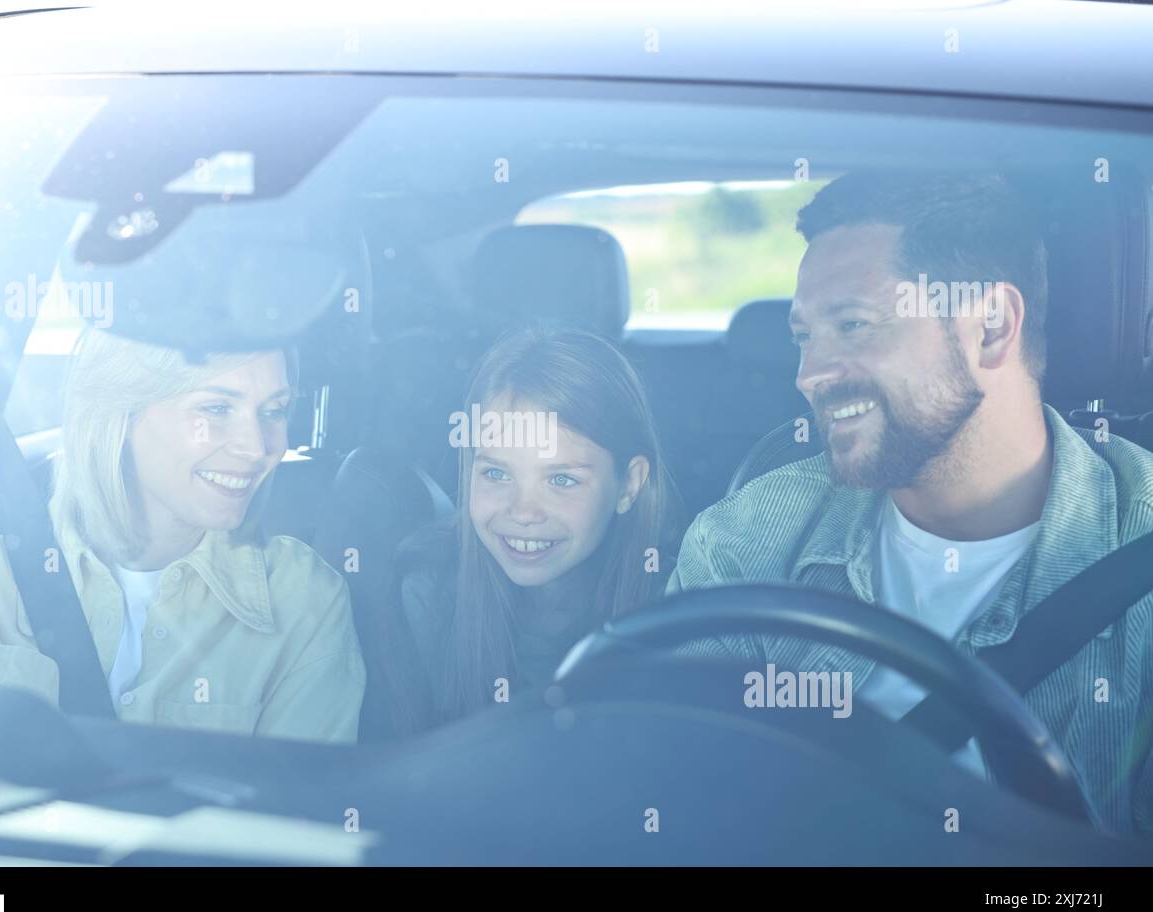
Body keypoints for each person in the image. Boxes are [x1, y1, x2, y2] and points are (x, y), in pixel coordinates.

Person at [669, 172, 1153, 832]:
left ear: (989, 327)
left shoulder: (1138, 558)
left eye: (853, 324)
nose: (807, 374)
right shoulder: (743, 541)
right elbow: (674, 798)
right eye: (805, 334)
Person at [0, 329, 366, 742]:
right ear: (121, 412)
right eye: (216, 409)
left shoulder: (303, 603)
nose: (259, 447)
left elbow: (294, 834)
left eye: (275, 410)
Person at [375, 328, 677, 736]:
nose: (523, 512)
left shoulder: (675, 610)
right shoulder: (425, 590)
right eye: (496, 473)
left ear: (629, 484)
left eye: (562, 481)